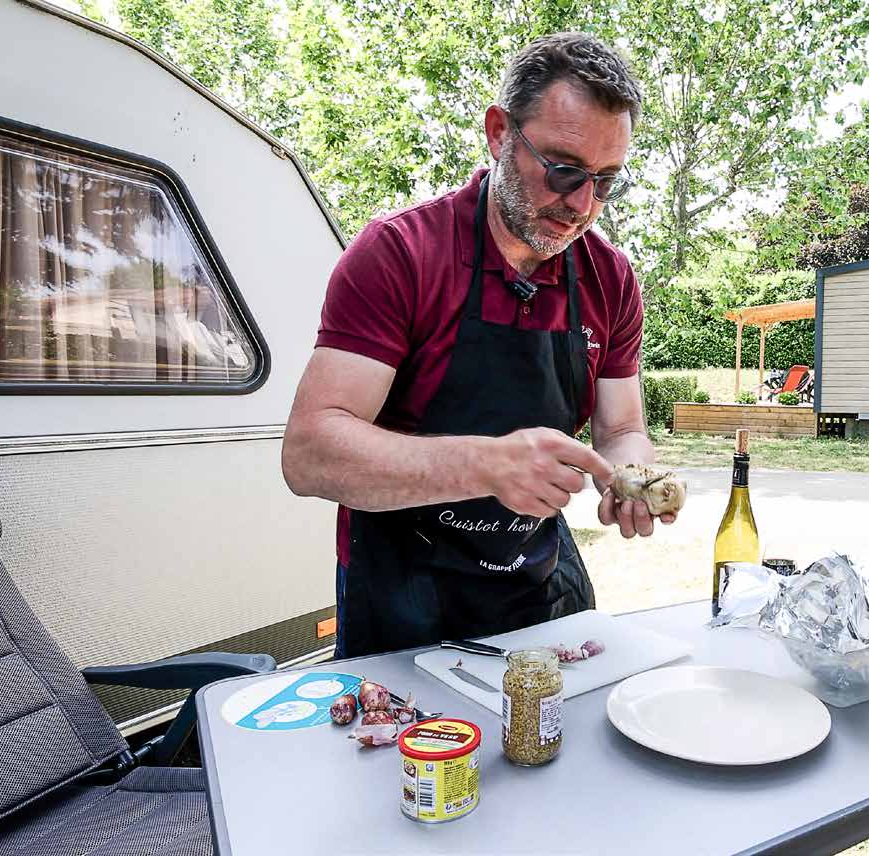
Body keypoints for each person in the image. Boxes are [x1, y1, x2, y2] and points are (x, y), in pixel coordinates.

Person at [282, 33, 674, 658]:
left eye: (605, 183)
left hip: (532, 578)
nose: (580, 205)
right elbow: (309, 452)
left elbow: (622, 426)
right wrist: (485, 466)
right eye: (562, 169)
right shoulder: (400, 254)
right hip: (399, 582)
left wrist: (629, 476)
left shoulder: (611, 278)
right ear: (498, 133)